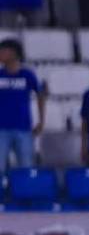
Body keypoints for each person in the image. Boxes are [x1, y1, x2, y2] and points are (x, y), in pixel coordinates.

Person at [0, 39, 44, 169]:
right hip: (1, 129)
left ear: (13, 53)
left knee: (26, 167)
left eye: (3, 51)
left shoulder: (28, 75)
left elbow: (41, 95)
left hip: (24, 129)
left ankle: (26, 190)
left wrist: (41, 121)